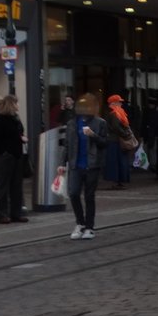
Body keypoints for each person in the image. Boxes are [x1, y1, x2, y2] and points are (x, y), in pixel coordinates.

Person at [59, 93, 109, 239]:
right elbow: (67, 145)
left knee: (89, 196)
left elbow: (104, 143)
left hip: (92, 165)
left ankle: (89, 227)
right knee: (73, 193)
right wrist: (62, 163)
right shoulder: (72, 123)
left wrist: (93, 135)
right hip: (76, 164)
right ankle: (80, 223)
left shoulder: (100, 123)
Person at [0, 95, 27, 224]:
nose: (18, 105)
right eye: (16, 103)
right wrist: (1, 152)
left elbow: (17, 133)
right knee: (3, 185)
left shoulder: (15, 118)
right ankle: (2, 213)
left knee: (16, 185)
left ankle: (16, 213)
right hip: (6, 155)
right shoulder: (0, 119)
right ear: (12, 104)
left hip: (16, 154)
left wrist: (20, 138)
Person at [102, 94, 133, 189]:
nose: (121, 103)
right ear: (114, 103)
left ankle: (118, 181)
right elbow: (116, 127)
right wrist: (125, 133)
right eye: (119, 102)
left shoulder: (117, 112)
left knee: (117, 161)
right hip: (116, 141)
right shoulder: (115, 113)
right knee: (117, 161)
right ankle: (117, 181)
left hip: (116, 140)